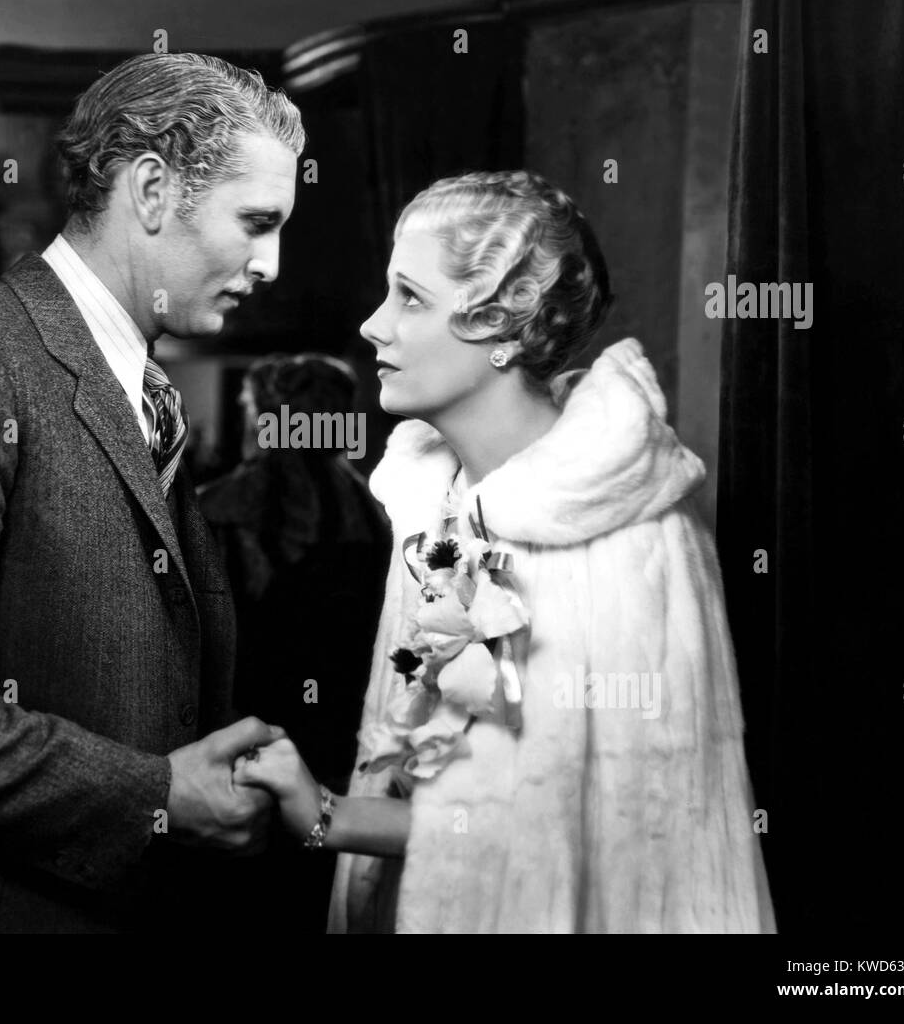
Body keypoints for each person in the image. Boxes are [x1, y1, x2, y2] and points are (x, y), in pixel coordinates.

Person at [0, 53, 303, 932]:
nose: (271, 264)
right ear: (152, 189)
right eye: (256, 221)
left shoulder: (141, 388)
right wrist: (155, 793)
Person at [234, 170, 777, 933]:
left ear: (502, 322)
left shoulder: (626, 535)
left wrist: (325, 813)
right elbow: (442, 791)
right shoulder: (434, 505)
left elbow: (603, 844)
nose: (373, 325)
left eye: (410, 297)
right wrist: (323, 811)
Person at [197, 353, 392, 929]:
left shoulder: (220, 508)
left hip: (246, 737)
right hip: (343, 744)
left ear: (268, 416)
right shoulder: (377, 507)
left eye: (250, 408)